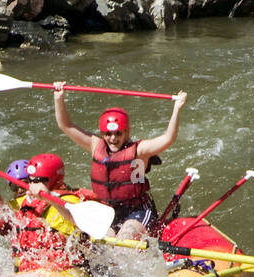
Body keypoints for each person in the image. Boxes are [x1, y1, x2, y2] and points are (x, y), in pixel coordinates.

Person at [53, 81, 188, 238]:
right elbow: (66, 125)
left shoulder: (140, 151)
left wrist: (177, 109)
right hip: (109, 211)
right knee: (104, 240)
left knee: (125, 236)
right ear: (102, 134)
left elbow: (168, 139)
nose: (113, 138)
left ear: (127, 132)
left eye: (118, 134)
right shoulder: (95, 145)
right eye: (108, 134)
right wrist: (59, 98)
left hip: (139, 210)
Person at [0, 154, 90, 277]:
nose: (30, 187)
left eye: (37, 181)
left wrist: (49, 197)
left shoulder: (69, 201)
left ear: (53, 181)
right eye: (31, 181)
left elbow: (78, 221)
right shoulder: (28, 202)